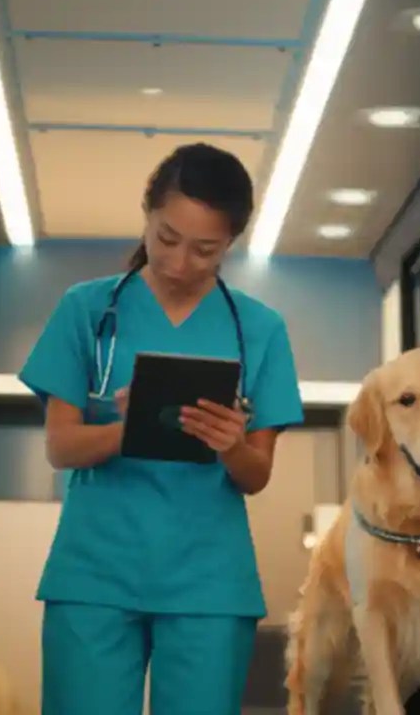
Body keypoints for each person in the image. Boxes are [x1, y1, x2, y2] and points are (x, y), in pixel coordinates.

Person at [18, 143, 304, 714]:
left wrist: (229, 445)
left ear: (231, 243)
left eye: (206, 250)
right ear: (146, 215)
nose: (179, 263)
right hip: (95, 573)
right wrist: (135, 428)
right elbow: (60, 447)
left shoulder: (261, 329)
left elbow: (257, 475)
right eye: (166, 238)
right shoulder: (88, 310)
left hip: (209, 580)